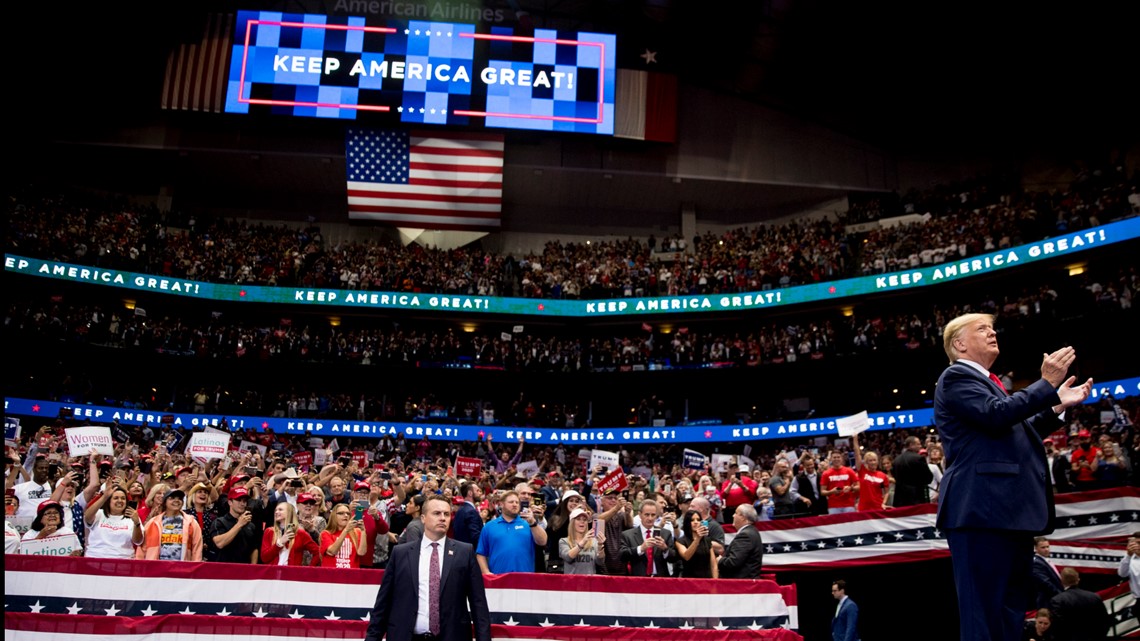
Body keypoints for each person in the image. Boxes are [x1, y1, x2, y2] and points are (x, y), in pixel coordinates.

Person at [934, 313, 1093, 641]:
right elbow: (997, 416)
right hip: (981, 512)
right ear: (959, 344)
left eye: (992, 328)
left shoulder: (990, 383)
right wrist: (1045, 384)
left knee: (1010, 614)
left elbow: (1016, 429)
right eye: (982, 329)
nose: (992, 333)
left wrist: (1055, 407)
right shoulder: (956, 377)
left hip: (1006, 513)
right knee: (983, 615)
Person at [365, 494, 491, 641]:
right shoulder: (401, 553)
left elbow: (479, 604)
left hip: (452, 636)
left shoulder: (465, 552)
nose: (443, 518)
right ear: (423, 518)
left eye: (446, 514)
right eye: (437, 513)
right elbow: (383, 603)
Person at [476, 490, 547, 574]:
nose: (515, 504)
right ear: (501, 504)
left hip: (525, 578)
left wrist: (532, 523)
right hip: (498, 578)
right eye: (511, 502)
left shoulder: (528, 523)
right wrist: (486, 572)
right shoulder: (489, 526)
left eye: (517, 502)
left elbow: (543, 541)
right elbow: (481, 553)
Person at [1048, 568, 1110, 641]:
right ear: (1078, 580)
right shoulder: (1094, 597)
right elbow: (1105, 622)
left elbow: (1057, 628)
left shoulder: (1057, 600)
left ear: (1061, 581)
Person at [141, 488, 203, 561]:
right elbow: (143, 548)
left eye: (179, 498)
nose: (176, 500)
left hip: (182, 569)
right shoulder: (153, 522)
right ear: (165, 503)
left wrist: (194, 568)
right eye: (172, 498)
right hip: (156, 568)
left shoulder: (192, 522)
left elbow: (197, 549)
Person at [83, 485, 143, 559]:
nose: (120, 501)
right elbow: (87, 517)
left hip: (123, 562)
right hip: (95, 560)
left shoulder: (133, 517)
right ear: (109, 501)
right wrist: (104, 497)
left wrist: (137, 523)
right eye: (116, 498)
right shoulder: (99, 514)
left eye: (123, 498)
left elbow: (138, 541)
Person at [619, 499, 673, 576]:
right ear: (640, 515)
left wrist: (665, 549)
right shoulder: (627, 535)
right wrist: (640, 548)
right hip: (638, 580)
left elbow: (674, 558)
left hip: (660, 580)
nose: (650, 518)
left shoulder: (665, 533)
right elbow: (622, 556)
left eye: (653, 515)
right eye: (647, 515)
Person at [208, 486, 261, 563]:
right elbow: (219, 543)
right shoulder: (219, 522)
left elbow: (254, 549)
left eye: (245, 501)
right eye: (239, 500)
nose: (242, 504)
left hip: (244, 570)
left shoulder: (250, 525)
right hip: (224, 569)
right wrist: (239, 524)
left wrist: (253, 568)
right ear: (230, 502)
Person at [261, 501, 322, 566]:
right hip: (273, 574)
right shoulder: (269, 531)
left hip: (292, 574)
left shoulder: (300, 533)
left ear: (289, 513)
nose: (276, 512)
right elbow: (264, 558)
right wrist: (279, 544)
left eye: (280, 510)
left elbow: (318, 552)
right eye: (275, 510)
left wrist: (308, 570)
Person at [717, 504, 763, 579]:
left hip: (742, 584)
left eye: (736, 513)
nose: (733, 515)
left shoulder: (745, 535)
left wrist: (719, 560)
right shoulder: (751, 531)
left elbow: (733, 562)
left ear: (743, 518)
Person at [559, 507, 606, 574]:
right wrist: (583, 541)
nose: (582, 522)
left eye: (585, 519)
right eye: (578, 519)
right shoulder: (564, 541)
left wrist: (600, 545)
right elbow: (568, 557)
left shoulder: (593, 541)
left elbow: (600, 562)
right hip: (571, 582)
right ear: (572, 523)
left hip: (589, 582)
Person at [890, 436, 934, 507]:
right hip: (916, 498)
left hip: (900, 499)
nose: (920, 446)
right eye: (918, 444)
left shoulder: (896, 459)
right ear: (911, 445)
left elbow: (894, 475)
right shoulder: (918, 458)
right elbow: (928, 477)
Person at [850, 432, 889, 512]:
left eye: (874, 460)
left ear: (877, 461)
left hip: (878, 507)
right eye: (870, 460)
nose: (872, 462)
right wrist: (855, 438)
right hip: (864, 508)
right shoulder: (862, 471)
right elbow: (857, 454)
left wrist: (884, 503)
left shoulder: (882, 476)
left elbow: (886, 492)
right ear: (866, 462)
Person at [322, 503, 367, 569]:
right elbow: (332, 551)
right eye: (341, 513)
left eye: (348, 513)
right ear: (334, 516)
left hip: (351, 574)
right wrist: (346, 530)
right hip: (331, 575)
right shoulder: (326, 533)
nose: (345, 515)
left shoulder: (357, 532)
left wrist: (363, 530)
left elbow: (361, 553)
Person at [674, 509, 717, 578]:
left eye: (698, 519)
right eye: (692, 520)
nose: (696, 522)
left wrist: (715, 582)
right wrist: (697, 539)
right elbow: (686, 556)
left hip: (707, 580)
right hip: (689, 581)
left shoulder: (707, 540)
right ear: (687, 522)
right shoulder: (680, 541)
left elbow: (713, 565)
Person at [1031, 537, 1064, 610]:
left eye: (1047, 547)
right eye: (1043, 547)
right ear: (1036, 548)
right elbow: (1046, 583)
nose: (1046, 549)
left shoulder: (1045, 560)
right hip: (1047, 601)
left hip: (1053, 600)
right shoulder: (1037, 562)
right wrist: (1061, 595)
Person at [452, 481, 484, 546]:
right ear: (470, 493)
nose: (480, 493)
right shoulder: (471, 512)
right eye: (477, 491)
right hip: (470, 553)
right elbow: (475, 537)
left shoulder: (460, 509)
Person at [1118, 532, 1140, 623]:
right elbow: (1122, 574)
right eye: (1135, 543)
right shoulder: (1129, 559)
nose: (1137, 546)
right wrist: (1128, 555)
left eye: (1139, 543)